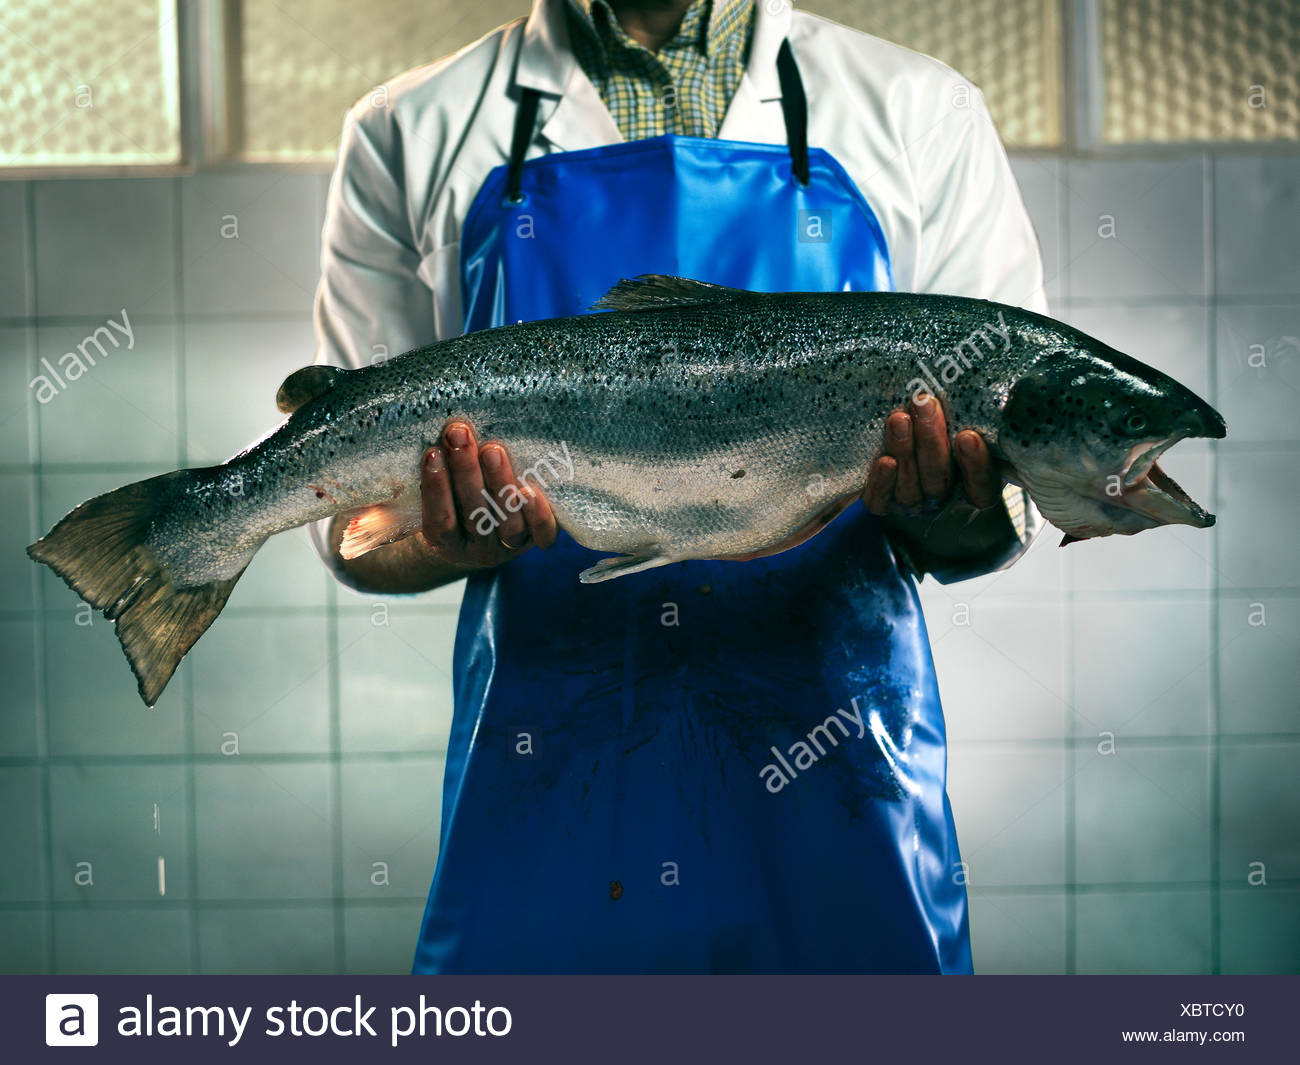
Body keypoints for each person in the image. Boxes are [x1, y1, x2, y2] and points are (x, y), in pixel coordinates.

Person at [311, 0, 1047, 973]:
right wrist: (446, 535)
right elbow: (354, 528)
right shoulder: (410, 129)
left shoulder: (919, 112)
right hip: (545, 782)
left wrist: (948, 505)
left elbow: (1004, 508)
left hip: (841, 783)